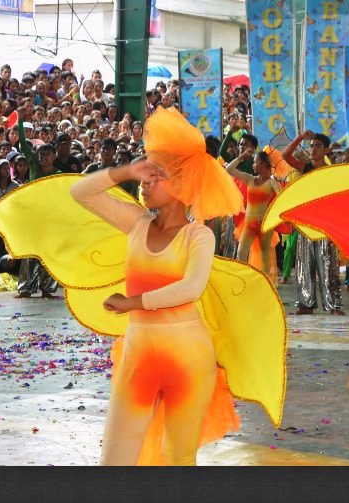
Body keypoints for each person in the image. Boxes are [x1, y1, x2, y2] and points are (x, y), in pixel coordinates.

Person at [69, 107, 246, 465]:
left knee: (177, 458)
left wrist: (134, 302)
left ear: (181, 185)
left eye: (155, 177)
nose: (144, 183)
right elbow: (80, 192)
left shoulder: (199, 236)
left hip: (189, 361)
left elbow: (191, 288)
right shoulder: (136, 222)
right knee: (114, 458)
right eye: (144, 177)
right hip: (139, 357)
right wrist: (125, 171)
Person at [281, 130, 343, 315]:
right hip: (305, 223)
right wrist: (299, 137)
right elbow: (285, 155)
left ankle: (333, 305)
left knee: (327, 264)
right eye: (311, 146)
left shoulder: (332, 171)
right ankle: (306, 303)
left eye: (317, 146)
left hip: (325, 224)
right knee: (304, 263)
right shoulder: (305, 167)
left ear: (325, 150)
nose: (313, 149)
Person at [225, 150, 283, 282]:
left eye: (255, 162)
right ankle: (244, 280)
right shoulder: (250, 179)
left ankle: (266, 284)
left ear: (262, 163)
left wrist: (270, 215)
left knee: (264, 257)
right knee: (241, 253)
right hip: (249, 224)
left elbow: (281, 200)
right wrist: (241, 156)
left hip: (264, 226)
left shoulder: (272, 183)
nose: (252, 164)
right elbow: (229, 169)